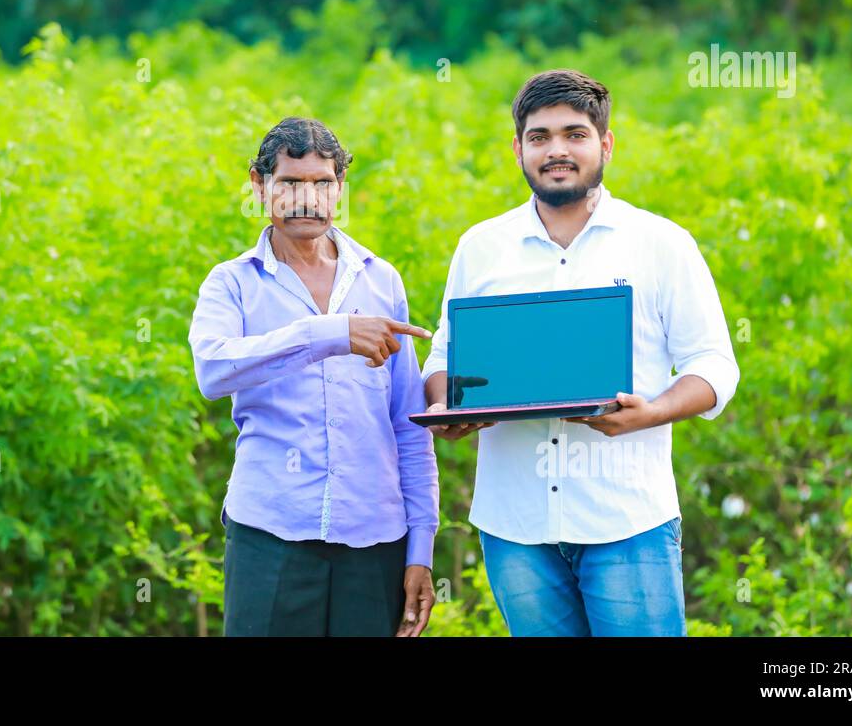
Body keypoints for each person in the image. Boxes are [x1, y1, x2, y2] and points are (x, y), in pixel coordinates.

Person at [423, 69, 740, 636]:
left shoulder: (660, 243)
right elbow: (443, 356)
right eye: (540, 137)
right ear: (518, 148)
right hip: (515, 525)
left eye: (575, 134)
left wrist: (655, 411)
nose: (557, 150)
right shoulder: (481, 248)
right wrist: (450, 407)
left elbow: (714, 365)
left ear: (605, 144)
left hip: (627, 518)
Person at [189, 117, 439, 636]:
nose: (308, 199)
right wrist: (330, 334)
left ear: (340, 189)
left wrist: (421, 547)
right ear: (260, 186)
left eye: (323, 184)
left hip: (376, 542)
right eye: (290, 183)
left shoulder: (380, 278)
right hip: (269, 534)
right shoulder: (232, 283)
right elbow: (213, 370)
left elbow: (408, 427)